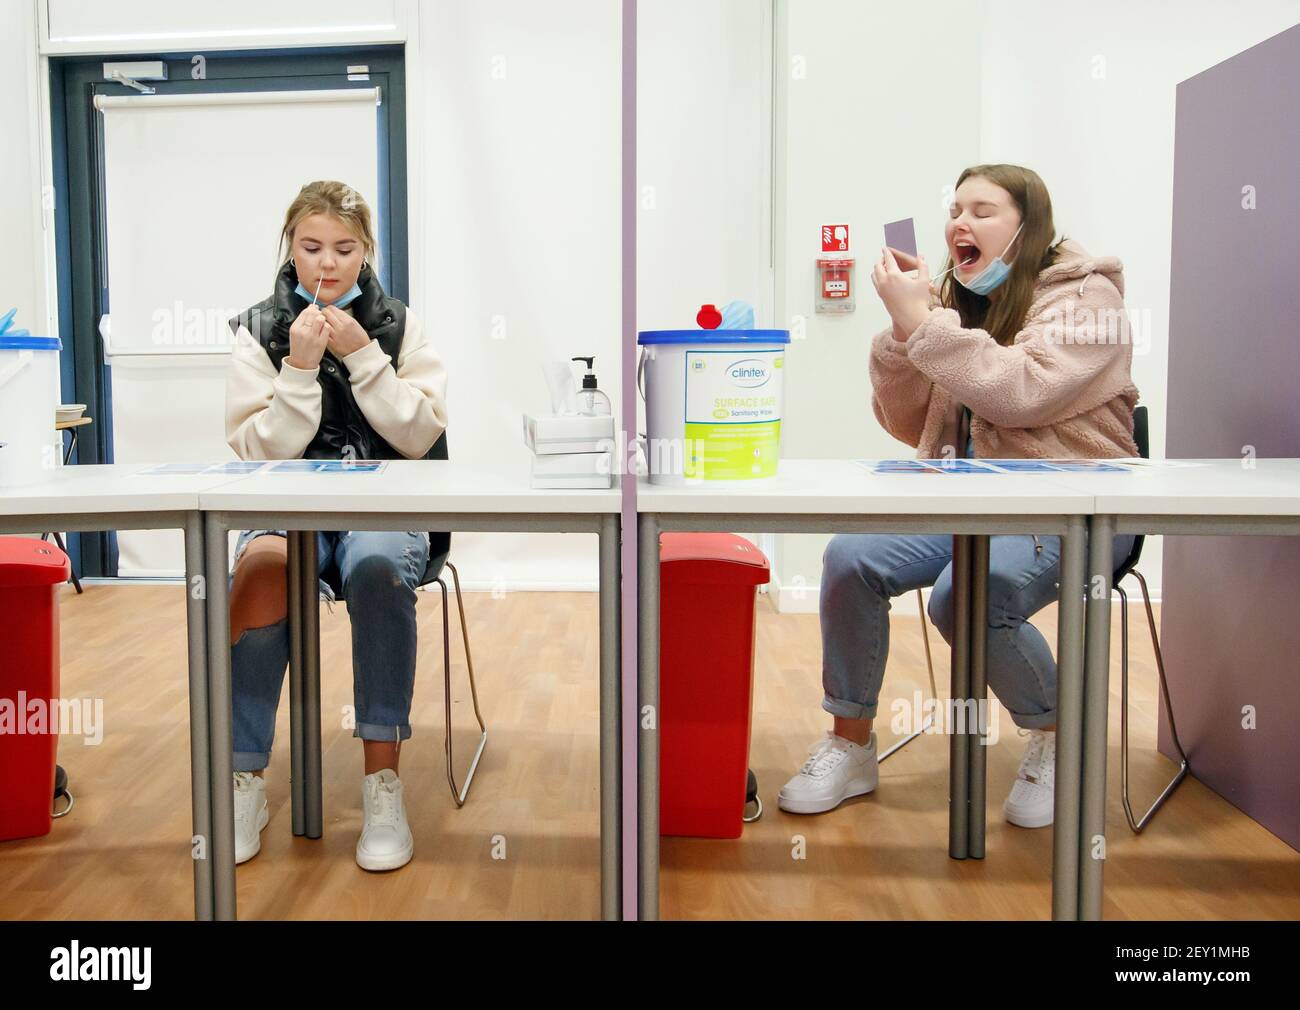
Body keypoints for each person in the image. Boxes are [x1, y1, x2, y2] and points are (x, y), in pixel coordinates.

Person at [778, 164, 1139, 829]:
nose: (958, 225)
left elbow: (1022, 391)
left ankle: (1059, 739)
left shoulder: (1090, 301)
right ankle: (850, 745)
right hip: (967, 501)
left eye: (982, 210)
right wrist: (902, 331)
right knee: (849, 560)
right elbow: (910, 423)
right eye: (955, 210)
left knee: (969, 593)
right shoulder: (960, 298)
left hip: (1077, 504)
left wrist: (930, 327)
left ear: (1030, 228)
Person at [223, 180, 449, 870]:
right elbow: (256, 452)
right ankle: (244, 781)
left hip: (386, 509)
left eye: (344, 249)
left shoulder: (401, 325)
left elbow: (418, 436)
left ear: (366, 252)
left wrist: (361, 357)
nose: (327, 264)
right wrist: (297, 367)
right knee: (262, 574)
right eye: (311, 247)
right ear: (290, 248)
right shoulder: (257, 328)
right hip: (286, 512)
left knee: (377, 568)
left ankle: (383, 786)